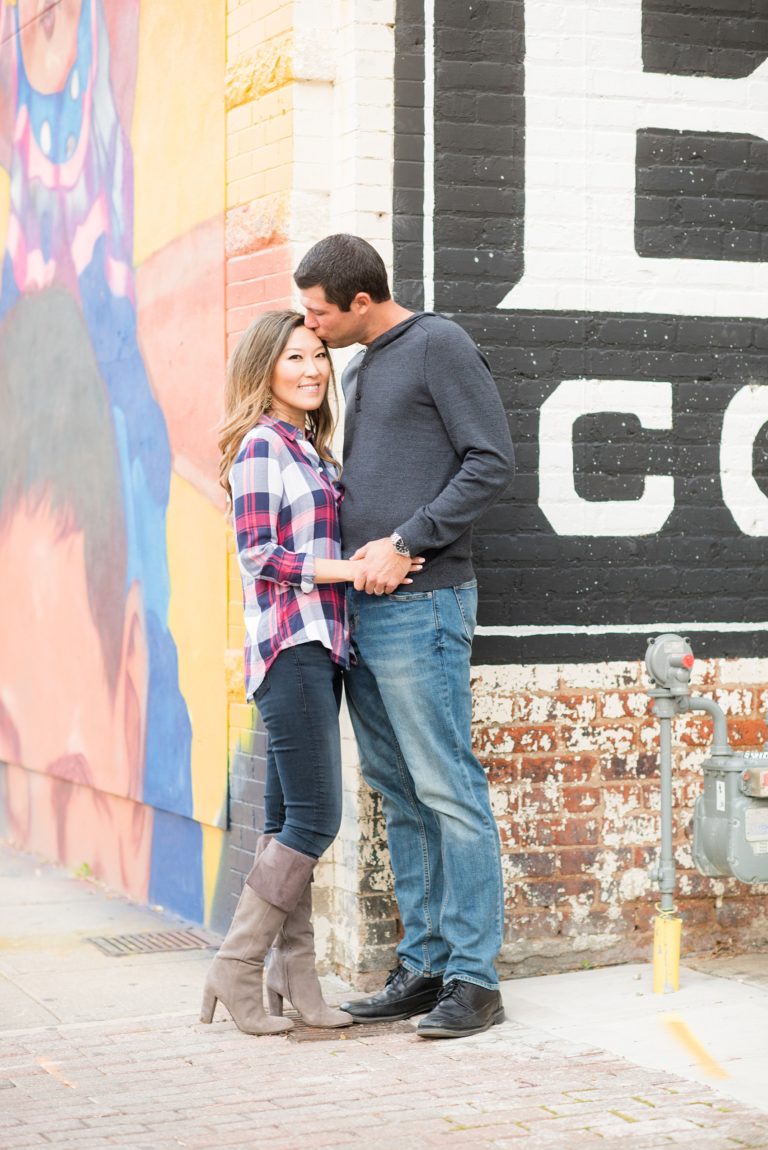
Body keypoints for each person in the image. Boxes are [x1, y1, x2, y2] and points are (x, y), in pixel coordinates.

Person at [294, 234, 515, 1039]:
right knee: (400, 792)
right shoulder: (360, 365)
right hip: (362, 609)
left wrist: (407, 541)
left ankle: (475, 978)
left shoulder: (438, 344)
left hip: (423, 604)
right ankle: (424, 967)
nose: (311, 329)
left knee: (448, 789)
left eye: (319, 313)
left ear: (360, 301)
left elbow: (490, 462)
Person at [201, 309, 421, 1036]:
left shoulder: (309, 449)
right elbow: (258, 554)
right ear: (264, 367)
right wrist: (351, 570)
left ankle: (294, 980)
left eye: (319, 358)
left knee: (282, 822)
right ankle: (236, 966)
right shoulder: (264, 446)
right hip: (290, 645)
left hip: (319, 646)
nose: (312, 369)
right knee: (316, 817)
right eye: (295, 357)